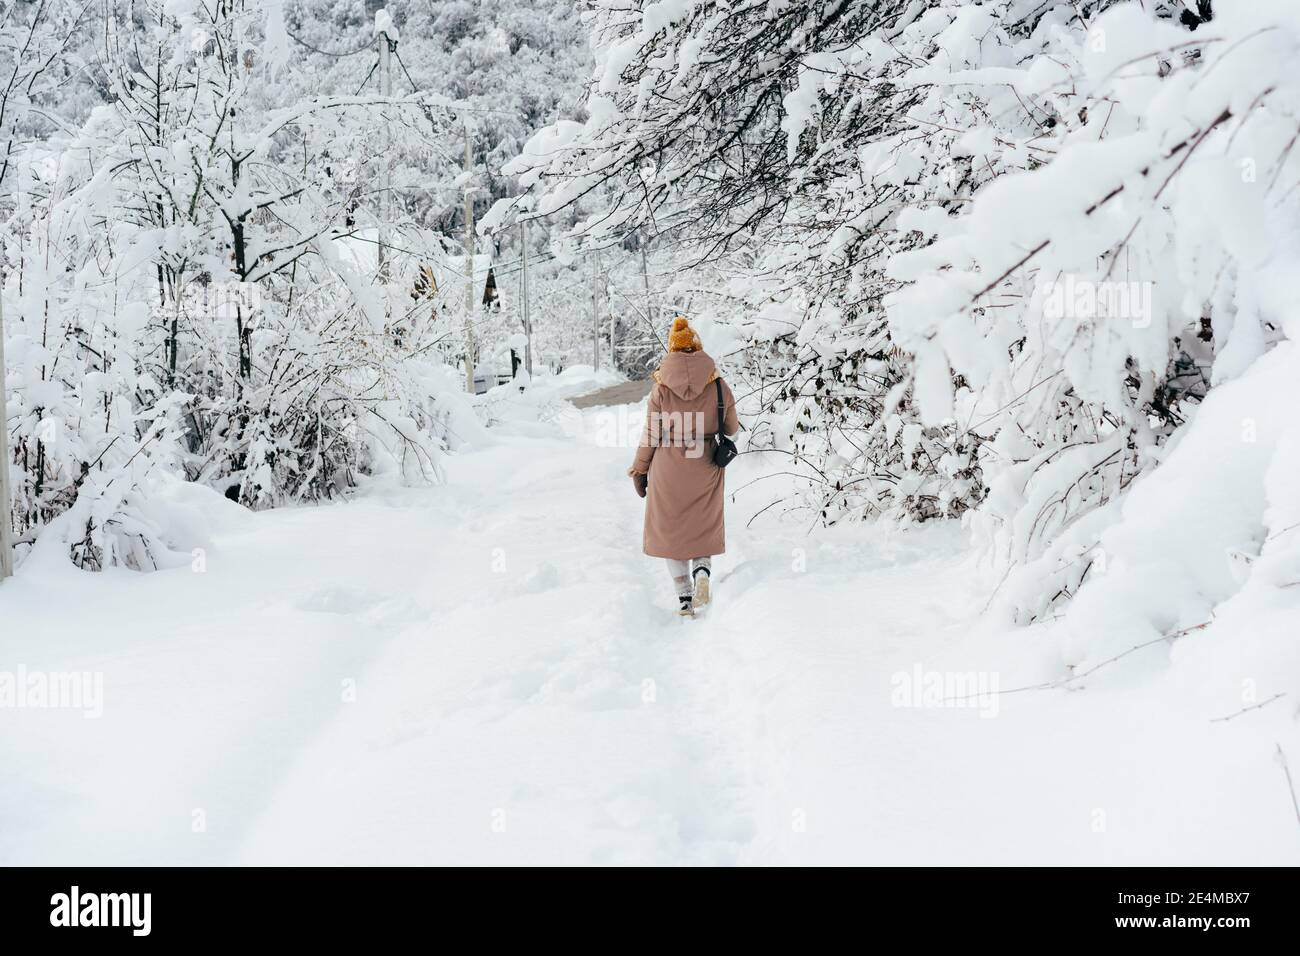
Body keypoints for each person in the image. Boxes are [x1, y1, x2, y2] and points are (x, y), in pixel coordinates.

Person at [629, 317, 739, 615]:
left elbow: (651, 434)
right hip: (705, 462)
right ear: (698, 346)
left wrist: (639, 470)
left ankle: (684, 599)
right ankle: (702, 572)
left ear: (672, 349)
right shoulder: (717, 384)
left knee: (672, 531)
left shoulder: (661, 388)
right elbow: (731, 428)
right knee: (701, 523)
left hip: (669, 465)